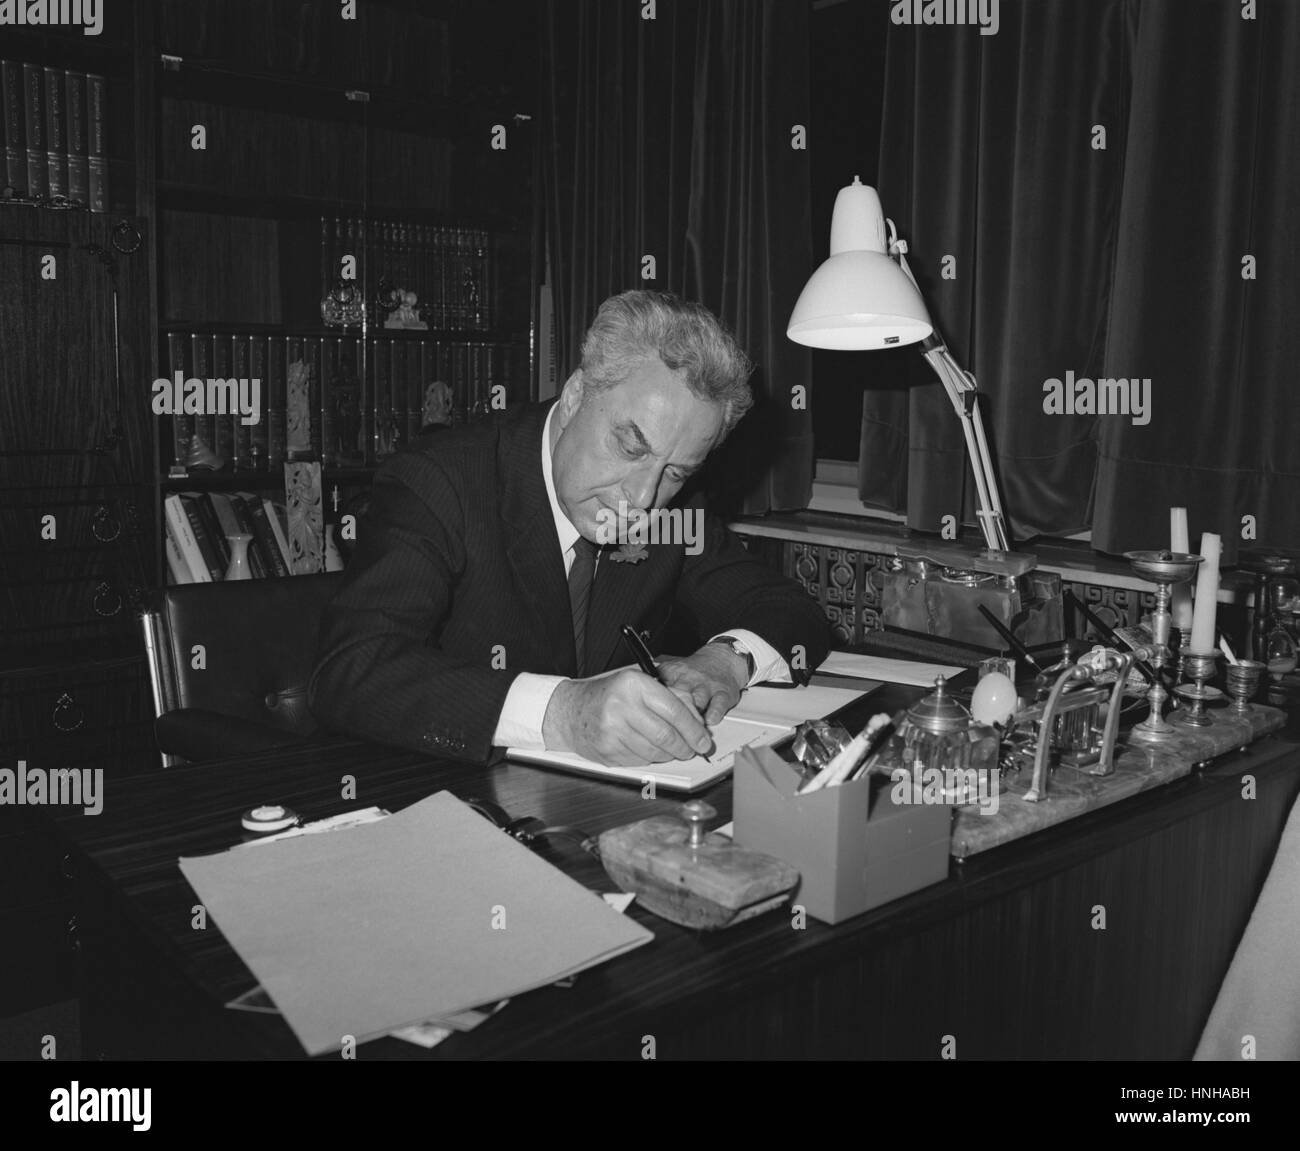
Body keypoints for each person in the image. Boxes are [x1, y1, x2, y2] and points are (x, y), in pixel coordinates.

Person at [309, 290, 831, 765]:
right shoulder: (439, 481)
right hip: (444, 801)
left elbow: (789, 609)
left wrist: (727, 659)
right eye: (631, 447)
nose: (642, 499)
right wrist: (563, 713)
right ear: (579, 394)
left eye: (674, 472)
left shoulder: (672, 510)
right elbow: (353, 671)